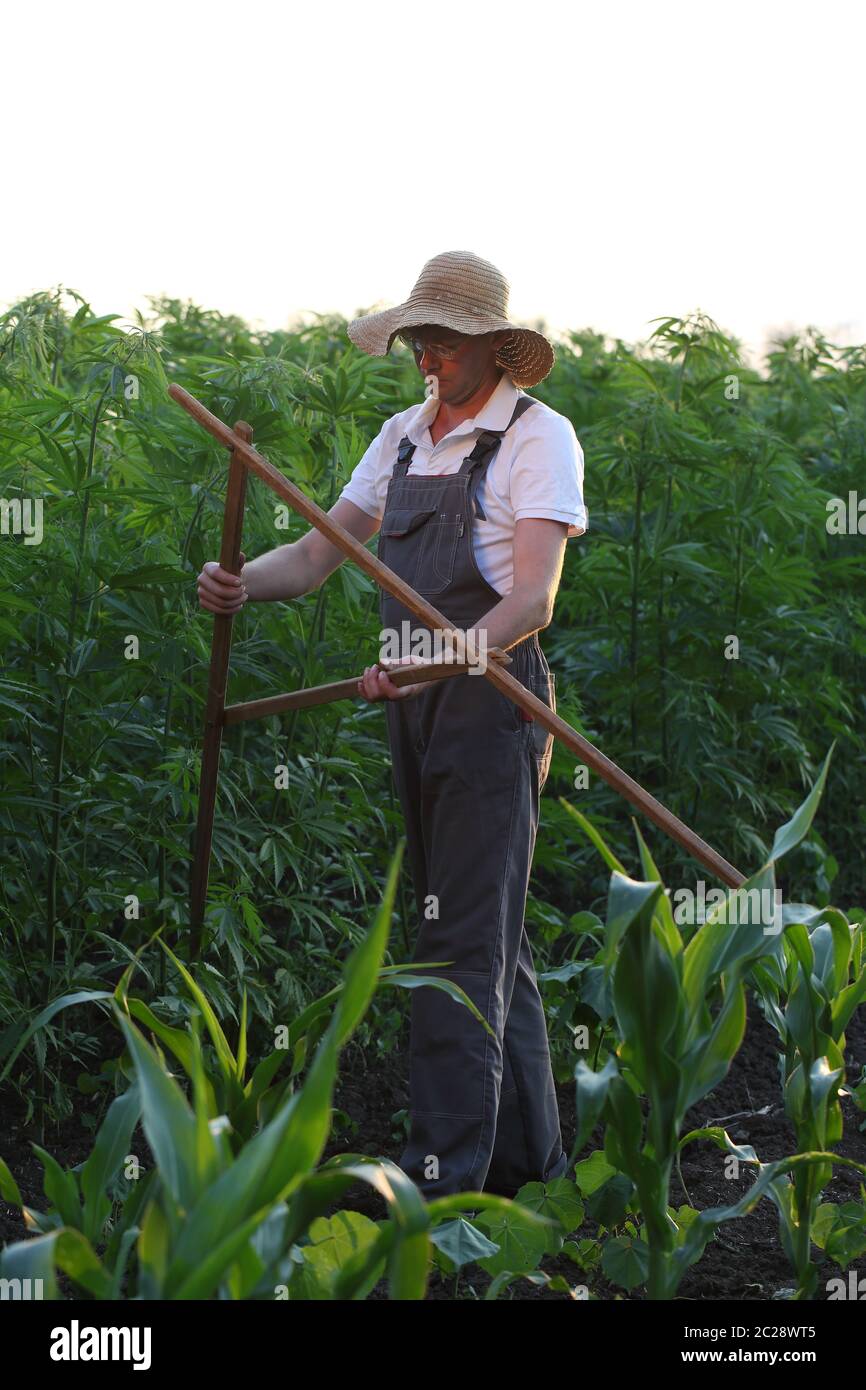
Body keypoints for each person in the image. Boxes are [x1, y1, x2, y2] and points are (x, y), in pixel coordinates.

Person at [197, 250, 587, 1199]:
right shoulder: (403, 438)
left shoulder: (538, 437)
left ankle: (443, 1188)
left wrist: (446, 658)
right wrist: (246, 585)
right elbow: (318, 553)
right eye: (419, 338)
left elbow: (531, 599)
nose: (429, 357)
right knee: (488, 930)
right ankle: (532, 1167)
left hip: (496, 703)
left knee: (456, 936)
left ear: (494, 347)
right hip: (412, 703)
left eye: (446, 341)